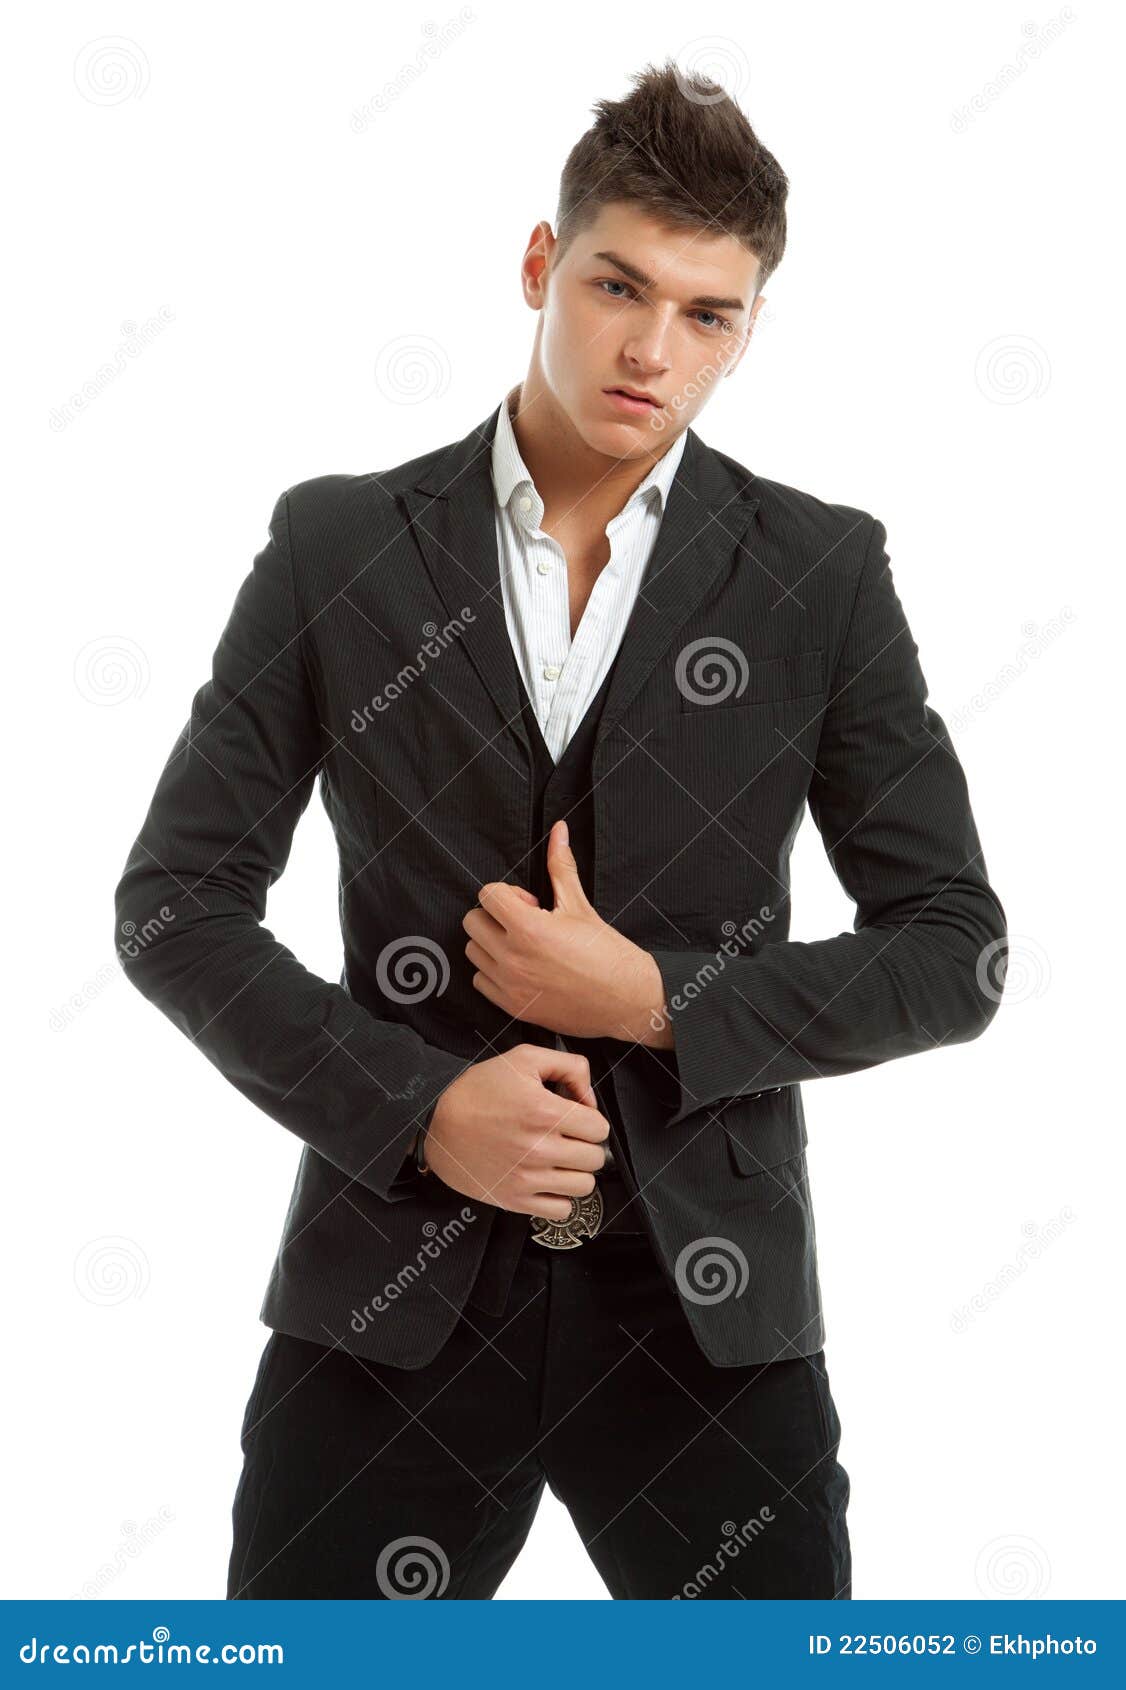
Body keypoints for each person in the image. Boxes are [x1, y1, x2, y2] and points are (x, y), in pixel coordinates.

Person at [113, 58, 1006, 1600]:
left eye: (707, 315)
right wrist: (418, 1108)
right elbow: (173, 904)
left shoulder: (820, 573)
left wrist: (655, 998)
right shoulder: (334, 544)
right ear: (541, 264)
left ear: (746, 330)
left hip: (704, 1311)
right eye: (617, 286)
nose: (652, 350)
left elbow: (954, 952)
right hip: (387, 1297)